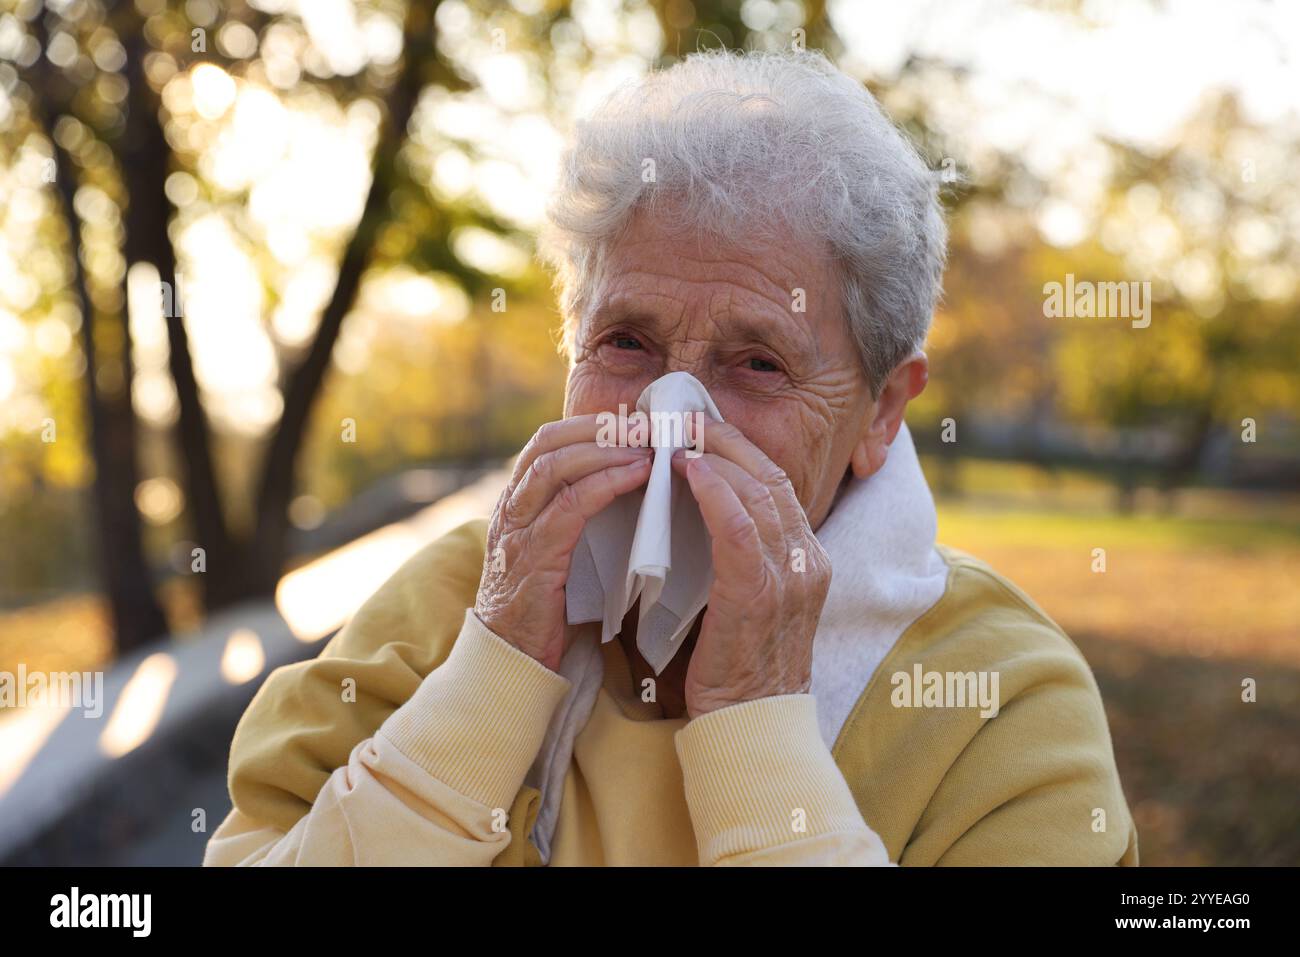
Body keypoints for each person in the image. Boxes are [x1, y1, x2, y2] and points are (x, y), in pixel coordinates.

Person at [205, 49, 1137, 867]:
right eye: (626, 344)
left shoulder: (1004, 701)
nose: (671, 418)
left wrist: (756, 729)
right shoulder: (459, 594)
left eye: (759, 363)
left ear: (880, 410)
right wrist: (484, 687)